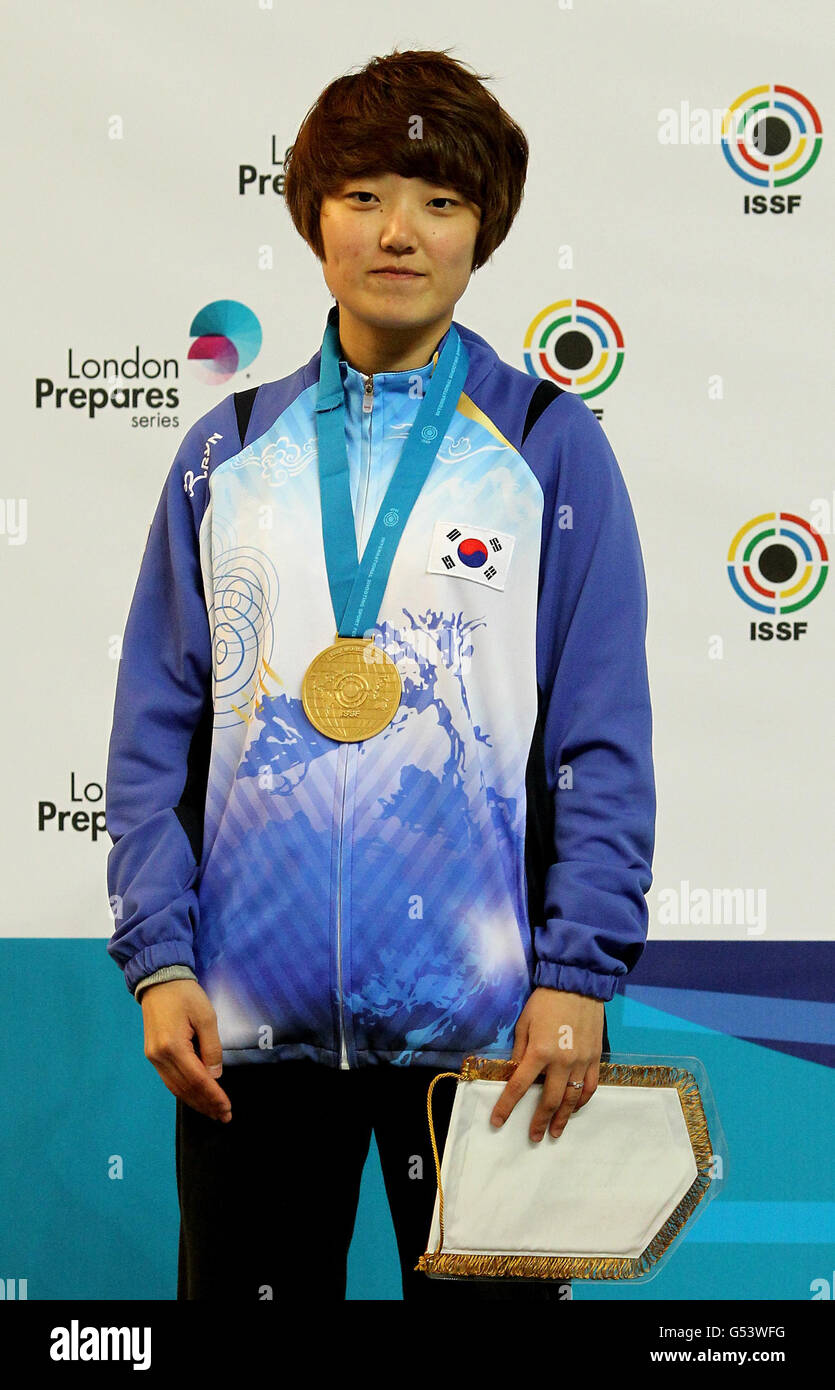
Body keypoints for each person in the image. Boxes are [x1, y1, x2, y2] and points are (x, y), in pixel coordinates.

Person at [104, 46, 655, 1302]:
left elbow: (599, 737)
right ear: (313, 218)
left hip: (490, 1039)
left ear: (482, 233)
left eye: (438, 201)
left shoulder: (543, 449)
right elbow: (153, 734)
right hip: (246, 1033)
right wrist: (164, 959)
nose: (396, 231)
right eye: (361, 194)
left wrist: (574, 978)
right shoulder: (228, 449)